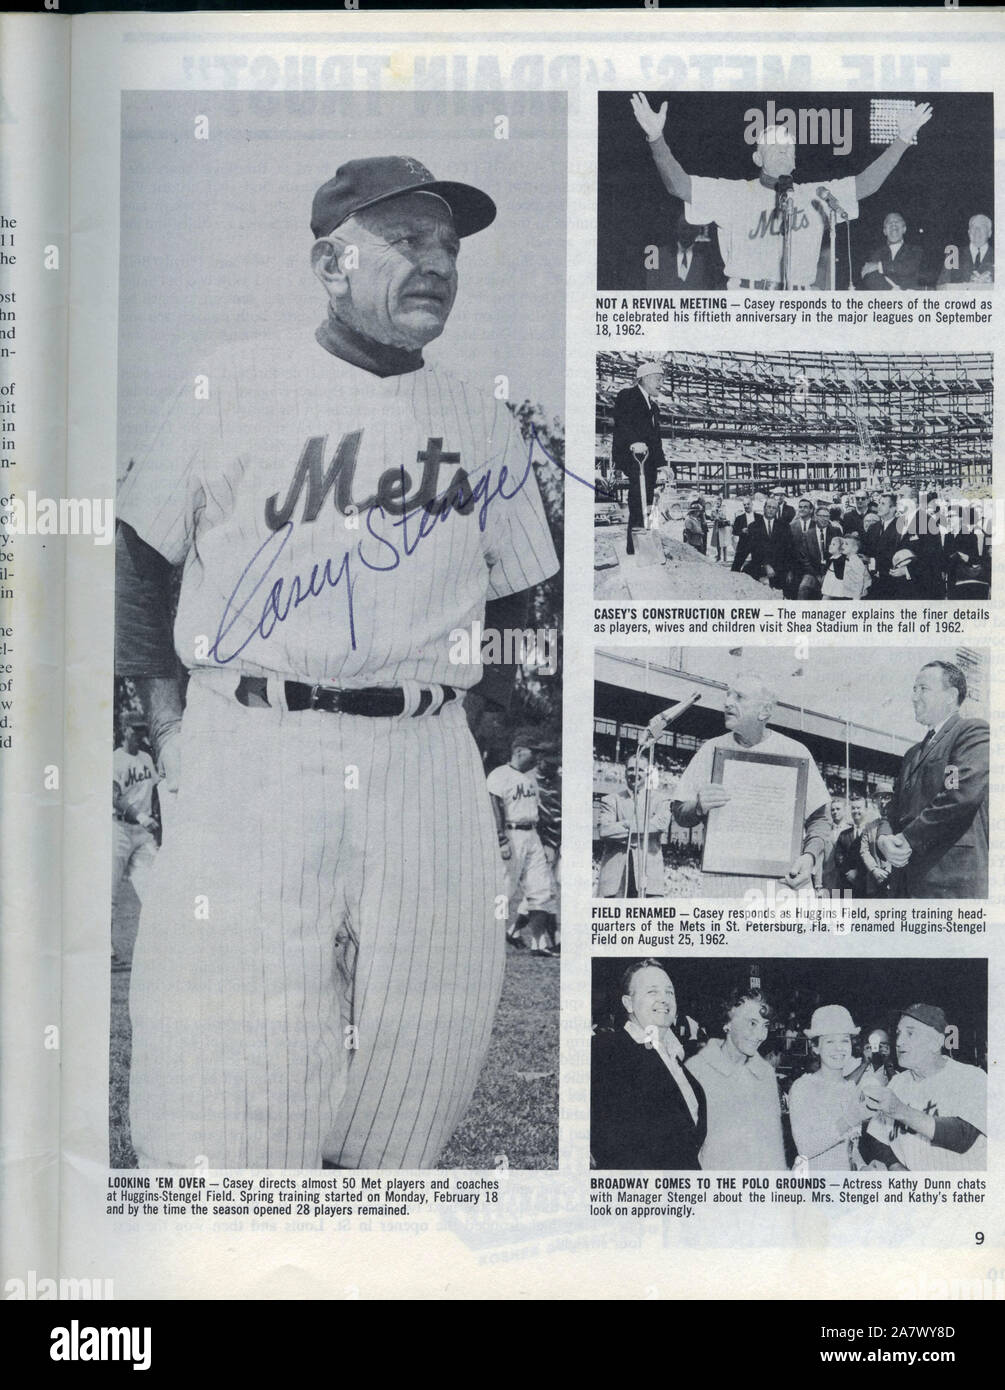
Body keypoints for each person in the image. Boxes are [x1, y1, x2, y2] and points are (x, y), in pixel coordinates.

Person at [114, 154, 559, 1170]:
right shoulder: (230, 382)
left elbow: (528, 592)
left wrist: (477, 718)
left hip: (424, 748)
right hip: (255, 733)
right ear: (329, 261)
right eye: (407, 240)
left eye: (449, 247)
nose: (438, 263)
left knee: (432, 1025)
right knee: (233, 1024)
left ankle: (372, 1228)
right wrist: (171, 725)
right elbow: (139, 554)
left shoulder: (482, 417)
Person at [629, 93, 933, 291]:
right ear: (757, 158)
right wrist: (656, 138)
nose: (783, 151)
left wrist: (903, 138)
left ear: (796, 157)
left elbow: (865, 184)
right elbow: (679, 186)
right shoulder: (734, 194)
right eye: (773, 147)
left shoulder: (816, 195)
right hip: (748, 301)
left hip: (800, 301)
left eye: (788, 147)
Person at [670, 672, 831, 898]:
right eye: (727, 695)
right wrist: (697, 806)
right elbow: (678, 811)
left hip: (783, 884)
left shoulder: (795, 752)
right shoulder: (710, 750)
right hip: (724, 884)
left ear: (764, 711)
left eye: (739, 697)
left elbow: (820, 818)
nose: (727, 702)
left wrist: (810, 856)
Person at [877, 661, 989, 898]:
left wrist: (907, 838)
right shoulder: (911, 754)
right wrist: (884, 839)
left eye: (923, 689)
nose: (914, 697)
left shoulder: (971, 733)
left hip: (949, 882)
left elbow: (960, 796)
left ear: (951, 696)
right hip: (907, 884)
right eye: (914, 689)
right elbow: (892, 809)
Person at [591, 960, 707, 1170]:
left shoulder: (675, 1055)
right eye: (652, 992)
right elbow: (609, 1141)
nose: (664, 999)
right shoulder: (607, 1051)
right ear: (628, 1003)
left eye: (669, 992)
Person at [864, 1005, 987, 1171]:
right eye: (899, 1033)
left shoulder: (969, 1077)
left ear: (936, 1042)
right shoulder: (897, 1083)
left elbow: (964, 1136)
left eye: (910, 1033)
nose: (899, 1042)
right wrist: (895, 1166)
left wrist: (899, 1110)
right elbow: (877, 1136)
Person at [686, 987, 786, 1170]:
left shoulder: (766, 1074)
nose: (761, 1035)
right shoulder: (697, 1070)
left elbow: (775, 1148)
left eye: (765, 1026)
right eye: (752, 1023)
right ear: (728, 1023)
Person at [487, 732, 559, 957]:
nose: (537, 756)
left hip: (532, 834)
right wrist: (501, 839)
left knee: (541, 890)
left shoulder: (529, 778)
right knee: (503, 890)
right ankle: (493, 936)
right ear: (519, 751)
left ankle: (539, 944)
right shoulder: (500, 774)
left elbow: (540, 811)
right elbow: (493, 807)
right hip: (512, 832)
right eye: (533, 751)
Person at [788, 1006, 870, 1170]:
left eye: (844, 1040)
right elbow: (805, 1148)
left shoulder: (850, 1088)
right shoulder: (803, 1087)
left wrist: (862, 1167)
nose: (839, 1048)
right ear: (816, 1047)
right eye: (830, 1041)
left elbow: (850, 1149)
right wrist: (849, 1119)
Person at [111, 713, 161, 961]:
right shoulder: (114, 760)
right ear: (125, 729)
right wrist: (141, 816)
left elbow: (155, 791)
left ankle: (155, 947)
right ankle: (106, 949)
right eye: (136, 729)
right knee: (108, 893)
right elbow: (114, 797)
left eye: (143, 729)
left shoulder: (146, 758)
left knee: (154, 891)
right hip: (117, 829)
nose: (141, 733)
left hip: (143, 835)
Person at [612, 359, 669, 555]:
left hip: (649, 460)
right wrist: (632, 442)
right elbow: (622, 422)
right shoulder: (627, 395)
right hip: (633, 457)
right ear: (644, 378)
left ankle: (645, 541)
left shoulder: (653, 407)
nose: (661, 384)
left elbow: (655, 439)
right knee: (637, 499)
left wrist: (663, 464)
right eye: (658, 379)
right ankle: (634, 548)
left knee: (648, 502)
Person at [596, 754, 672, 897]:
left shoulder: (661, 800)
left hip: (649, 880)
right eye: (630, 769)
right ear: (625, 772)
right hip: (615, 882)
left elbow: (660, 826)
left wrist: (622, 826)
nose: (634, 774)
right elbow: (604, 831)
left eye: (640, 770)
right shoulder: (610, 800)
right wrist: (645, 828)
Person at [646, 213, 719, 290]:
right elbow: (651, 288)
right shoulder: (659, 255)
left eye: (691, 228)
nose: (687, 233)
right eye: (683, 228)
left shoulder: (706, 258)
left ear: (697, 231)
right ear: (676, 229)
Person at [860, 211, 923, 290]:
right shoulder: (876, 253)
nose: (893, 223)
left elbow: (908, 267)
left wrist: (879, 266)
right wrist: (891, 291)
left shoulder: (915, 250)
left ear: (904, 229)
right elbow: (869, 276)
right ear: (885, 231)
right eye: (889, 222)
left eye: (897, 221)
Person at [793, 503, 842, 599]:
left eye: (827, 516)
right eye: (821, 516)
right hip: (812, 571)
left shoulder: (836, 532)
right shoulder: (807, 534)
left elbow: (840, 554)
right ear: (815, 517)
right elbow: (804, 558)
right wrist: (816, 575)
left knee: (833, 592)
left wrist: (829, 572)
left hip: (831, 570)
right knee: (804, 587)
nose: (824, 519)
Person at [938, 214, 994, 286]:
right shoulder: (953, 255)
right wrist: (967, 285)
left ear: (989, 233)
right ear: (969, 232)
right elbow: (941, 286)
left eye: (982, 226)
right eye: (973, 227)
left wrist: (992, 285)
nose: (977, 230)